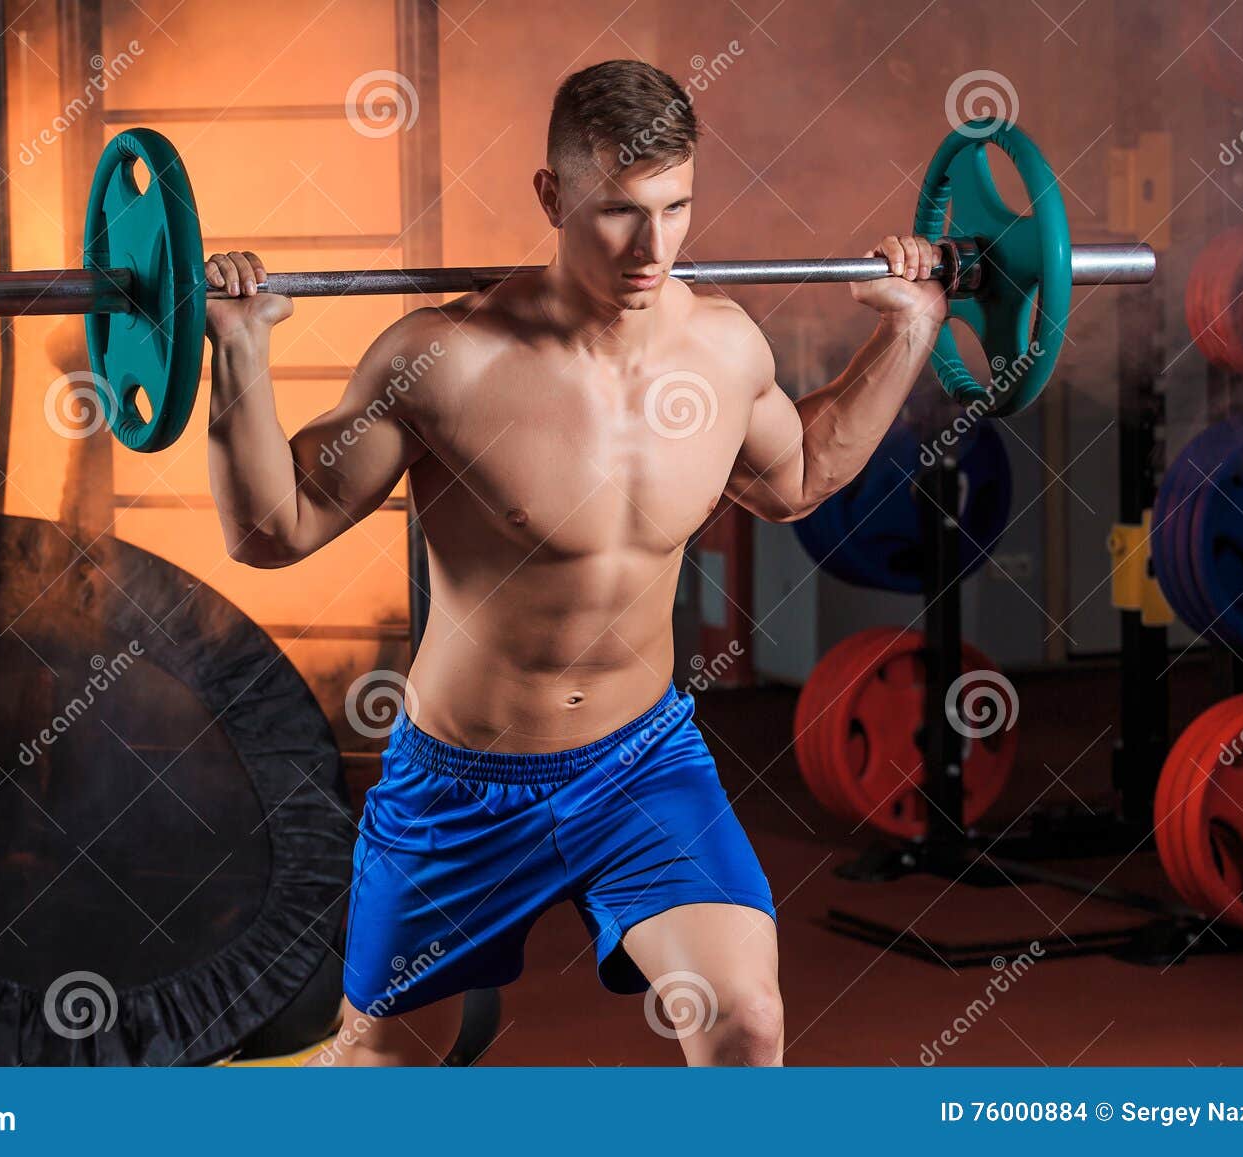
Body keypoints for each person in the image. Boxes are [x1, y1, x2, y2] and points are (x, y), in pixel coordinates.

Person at [203, 59, 946, 1066]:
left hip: (640, 764)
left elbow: (801, 475)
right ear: (551, 197)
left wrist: (910, 329)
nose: (652, 248)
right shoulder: (446, 359)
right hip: (457, 785)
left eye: (675, 208)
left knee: (746, 1020)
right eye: (618, 212)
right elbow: (275, 529)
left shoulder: (724, 351)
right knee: (389, 1065)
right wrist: (238, 352)